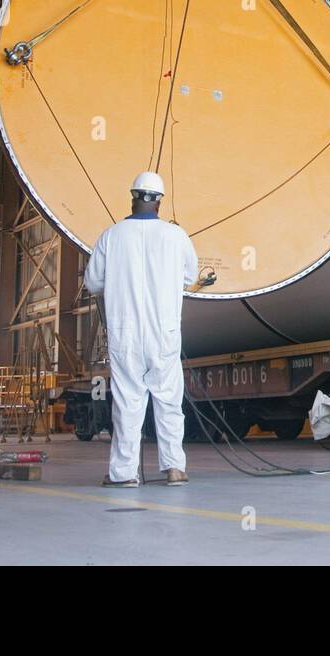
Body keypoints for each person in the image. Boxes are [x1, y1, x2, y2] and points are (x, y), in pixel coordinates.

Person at [84, 171, 214, 487]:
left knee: (128, 403)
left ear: (132, 197)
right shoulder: (176, 236)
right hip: (164, 331)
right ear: (159, 201)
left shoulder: (111, 236)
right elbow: (188, 276)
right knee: (169, 401)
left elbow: (92, 283)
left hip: (125, 332)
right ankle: (174, 469)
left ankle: (124, 474)